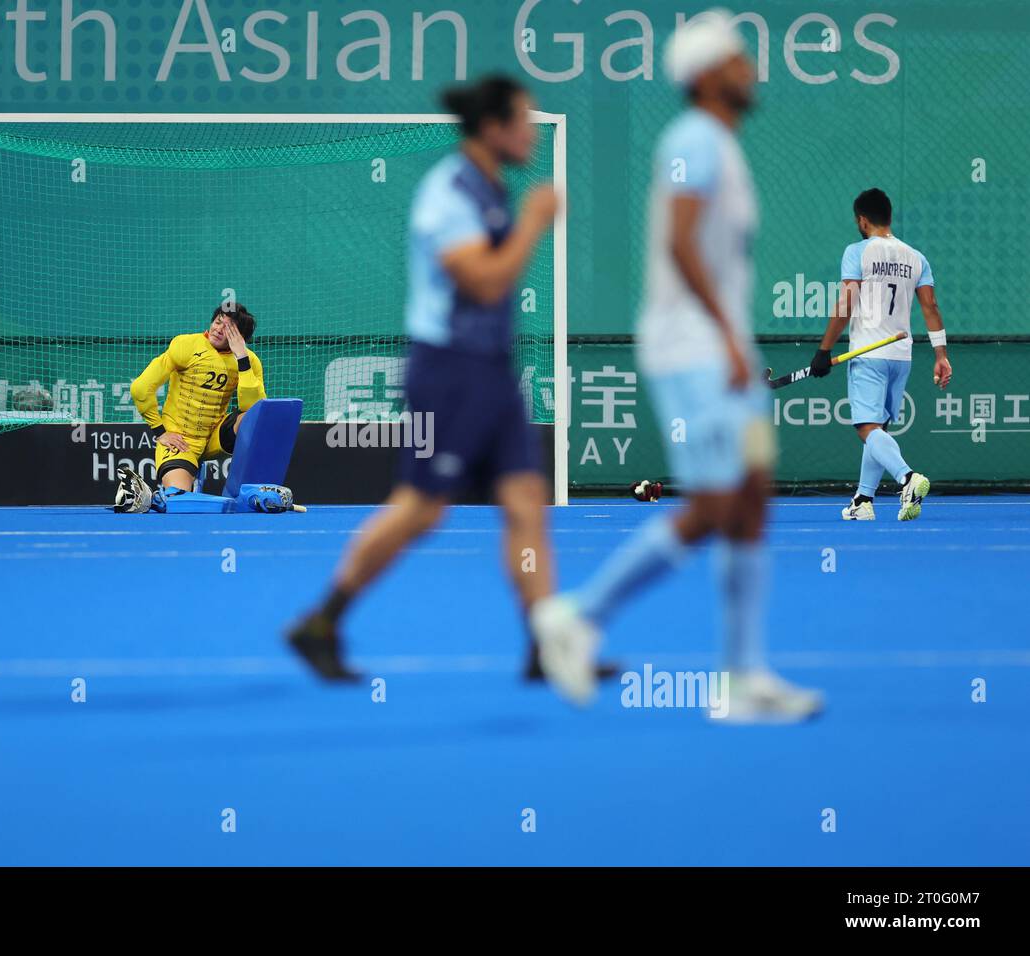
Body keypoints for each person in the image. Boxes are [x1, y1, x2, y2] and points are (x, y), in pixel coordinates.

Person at [532, 11, 823, 721]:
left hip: (724, 348)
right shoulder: (693, 139)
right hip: (693, 349)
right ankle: (575, 617)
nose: (750, 69)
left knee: (752, 497)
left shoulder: (720, 143)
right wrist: (728, 337)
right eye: (737, 60)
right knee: (717, 504)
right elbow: (681, 243)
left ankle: (743, 678)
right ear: (704, 77)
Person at [286, 74, 591, 683]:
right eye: (524, 119)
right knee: (423, 510)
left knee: (526, 502)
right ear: (493, 128)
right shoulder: (448, 193)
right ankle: (321, 622)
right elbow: (483, 281)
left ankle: (544, 646)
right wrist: (535, 222)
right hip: (449, 371)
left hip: (492, 372)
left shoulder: (491, 188)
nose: (532, 131)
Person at [810, 188, 951, 521]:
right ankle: (863, 501)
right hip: (901, 355)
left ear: (862, 219)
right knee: (878, 430)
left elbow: (846, 303)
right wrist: (941, 355)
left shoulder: (857, 252)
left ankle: (907, 478)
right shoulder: (916, 257)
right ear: (888, 217)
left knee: (866, 428)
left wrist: (823, 350)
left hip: (867, 354)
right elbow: (930, 306)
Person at [117, 304, 264, 507]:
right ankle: (153, 496)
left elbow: (254, 406)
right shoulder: (186, 346)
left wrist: (242, 359)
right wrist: (160, 432)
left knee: (252, 417)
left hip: (215, 437)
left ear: (240, 337)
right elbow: (140, 388)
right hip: (179, 441)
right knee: (178, 502)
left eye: (229, 328)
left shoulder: (249, 361)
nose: (218, 328)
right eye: (217, 321)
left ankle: (248, 491)